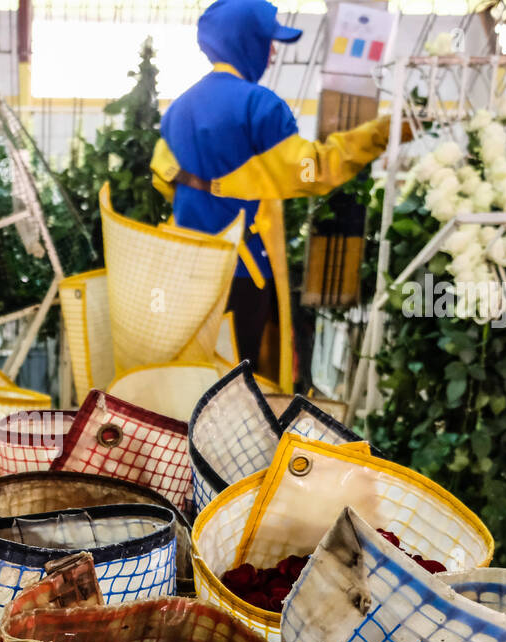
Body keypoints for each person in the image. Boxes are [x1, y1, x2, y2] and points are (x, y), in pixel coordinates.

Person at [152, 0, 400, 391]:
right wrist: (379, 135)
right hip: (241, 271)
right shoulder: (259, 106)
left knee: (193, 380)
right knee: (236, 389)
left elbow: (163, 179)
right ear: (245, 41)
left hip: (186, 265)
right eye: (267, 41)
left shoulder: (178, 108)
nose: (272, 52)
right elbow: (312, 170)